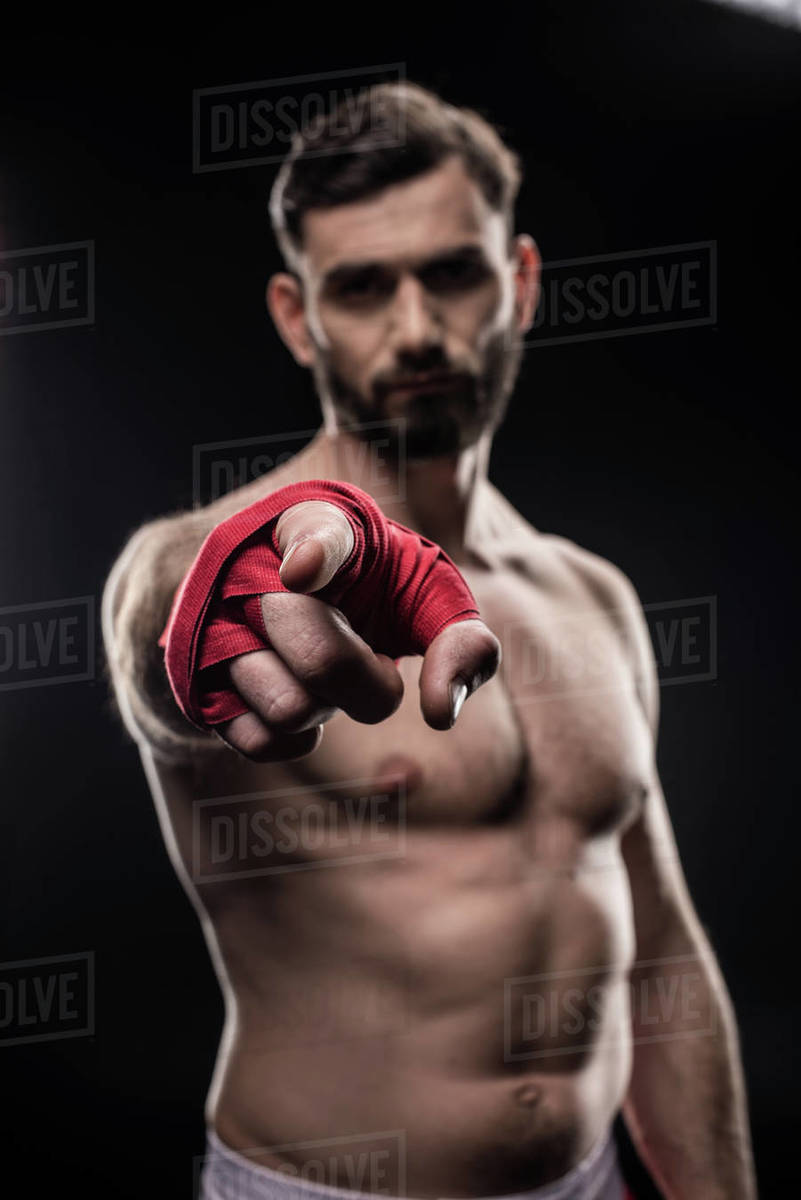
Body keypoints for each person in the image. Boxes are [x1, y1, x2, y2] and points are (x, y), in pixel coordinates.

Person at [101, 82, 757, 1200]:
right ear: (297, 316)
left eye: (452, 273)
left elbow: (660, 955)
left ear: (522, 283)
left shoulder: (593, 595)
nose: (414, 328)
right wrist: (201, 597)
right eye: (360, 288)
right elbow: (157, 633)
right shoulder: (241, 561)